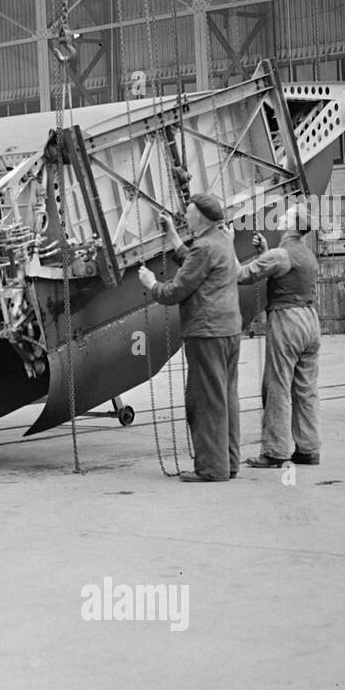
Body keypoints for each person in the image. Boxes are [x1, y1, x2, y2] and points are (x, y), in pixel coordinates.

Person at [137, 192, 242, 482]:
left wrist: (152, 284)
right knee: (226, 397)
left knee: (205, 401)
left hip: (206, 333)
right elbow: (195, 261)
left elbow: (176, 291)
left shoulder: (205, 247)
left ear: (202, 218)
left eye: (190, 213)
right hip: (229, 331)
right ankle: (229, 463)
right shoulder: (222, 241)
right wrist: (172, 235)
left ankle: (211, 468)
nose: (186, 216)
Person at [237, 205, 321, 468]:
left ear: (292, 224)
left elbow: (243, 275)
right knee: (305, 389)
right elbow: (281, 271)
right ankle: (308, 448)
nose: (281, 217)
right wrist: (264, 253)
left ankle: (275, 451)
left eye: (286, 215)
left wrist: (228, 247)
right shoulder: (307, 254)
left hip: (288, 321)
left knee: (277, 386)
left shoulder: (282, 254)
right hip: (310, 320)